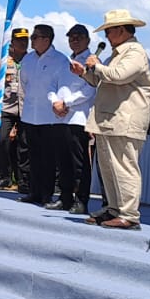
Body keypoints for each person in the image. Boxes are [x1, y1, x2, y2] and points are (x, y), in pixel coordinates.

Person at [73, 10, 150, 229]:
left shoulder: (135, 52)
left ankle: (129, 213)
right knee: (109, 168)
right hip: (110, 119)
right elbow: (103, 80)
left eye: (109, 31)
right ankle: (114, 208)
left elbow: (119, 76)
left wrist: (96, 66)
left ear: (121, 30)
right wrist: (84, 73)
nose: (107, 36)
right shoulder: (116, 54)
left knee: (124, 166)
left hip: (125, 119)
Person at [17, 24, 78, 210]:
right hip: (30, 113)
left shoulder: (60, 60)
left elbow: (63, 86)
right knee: (32, 155)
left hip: (50, 116)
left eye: (35, 37)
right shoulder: (27, 59)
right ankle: (33, 191)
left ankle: (46, 193)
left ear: (46, 39)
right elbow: (24, 83)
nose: (32, 40)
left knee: (48, 158)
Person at [60, 25, 97, 213]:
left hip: (80, 117)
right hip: (63, 117)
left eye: (79, 37)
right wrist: (57, 102)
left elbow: (90, 89)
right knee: (64, 161)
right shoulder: (66, 60)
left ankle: (81, 200)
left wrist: (66, 102)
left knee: (79, 164)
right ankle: (65, 197)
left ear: (87, 40)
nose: (74, 40)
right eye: (71, 37)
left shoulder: (91, 61)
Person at [0, 28, 32, 192]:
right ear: (12, 42)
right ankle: (4, 176)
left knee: (24, 145)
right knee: (2, 141)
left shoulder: (32, 60)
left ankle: (23, 179)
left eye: (26, 40)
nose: (23, 43)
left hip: (26, 108)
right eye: (20, 40)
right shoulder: (2, 62)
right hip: (7, 108)